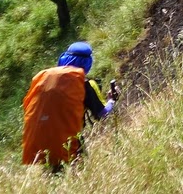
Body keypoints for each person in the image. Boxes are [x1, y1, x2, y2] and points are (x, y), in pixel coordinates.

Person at [22, 41, 119, 169]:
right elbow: (102, 114)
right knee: (79, 177)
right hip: (69, 147)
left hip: (39, 146)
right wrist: (112, 100)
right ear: (87, 63)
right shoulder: (84, 84)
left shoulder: (43, 79)